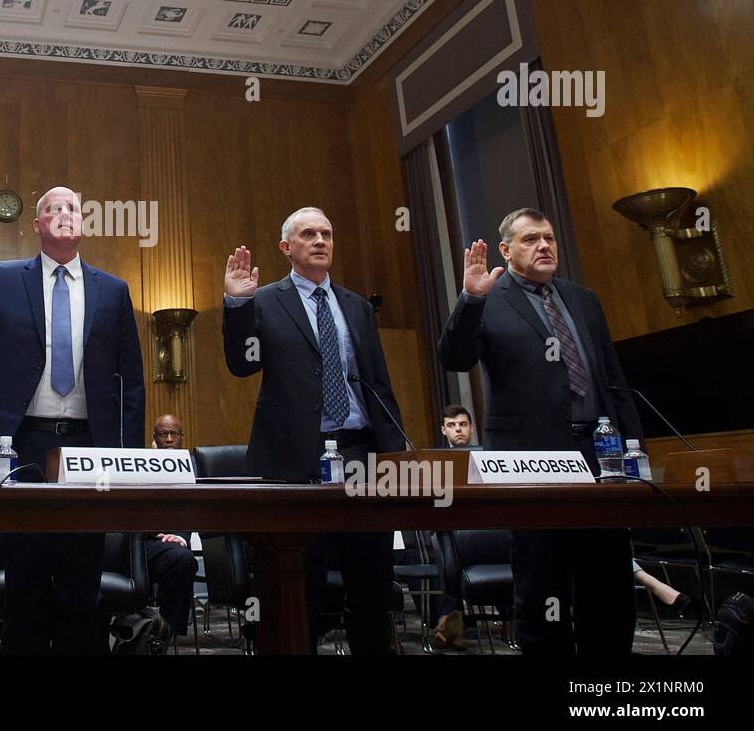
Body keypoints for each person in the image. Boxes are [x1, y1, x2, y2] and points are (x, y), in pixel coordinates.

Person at [0, 185, 144, 654]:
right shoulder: (3, 278)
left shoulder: (113, 290)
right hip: (20, 442)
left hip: (87, 446)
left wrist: (126, 457)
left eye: (72, 208)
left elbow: (131, 383)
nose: (63, 214)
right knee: (23, 575)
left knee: (81, 578)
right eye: (52, 209)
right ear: (37, 225)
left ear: (82, 224)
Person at [438, 207, 643, 654]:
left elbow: (613, 377)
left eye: (548, 238)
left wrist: (633, 447)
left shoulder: (582, 298)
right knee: (542, 582)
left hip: (598, 453)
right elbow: (455, 358)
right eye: (531, 240)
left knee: (608, 579)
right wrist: (470, 300)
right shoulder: (489, 296)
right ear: (507, 250)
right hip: (530, 458)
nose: (545, 246)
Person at [223, 206, 405, 654]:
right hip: (296, 457)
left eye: (326, 233)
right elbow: (243, 366)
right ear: (287, 247)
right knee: (299, 586)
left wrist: (396, 451)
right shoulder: (264, 300)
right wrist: (237, 305)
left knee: (370, 583)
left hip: (362, 453)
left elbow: (377, 381)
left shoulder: (357, 307)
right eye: (309, 234)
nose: (321, 241)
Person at [143, 415, 198, 638]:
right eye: (162, 434)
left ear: (181, 438)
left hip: (172, 543)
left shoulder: (192, 468)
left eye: (173, 434)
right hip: (139, 542)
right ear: (153, 438)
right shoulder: (139, 463)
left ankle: (167, 634)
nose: (168, 439)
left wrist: (179, 536)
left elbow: (193, 507)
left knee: (183, 560)